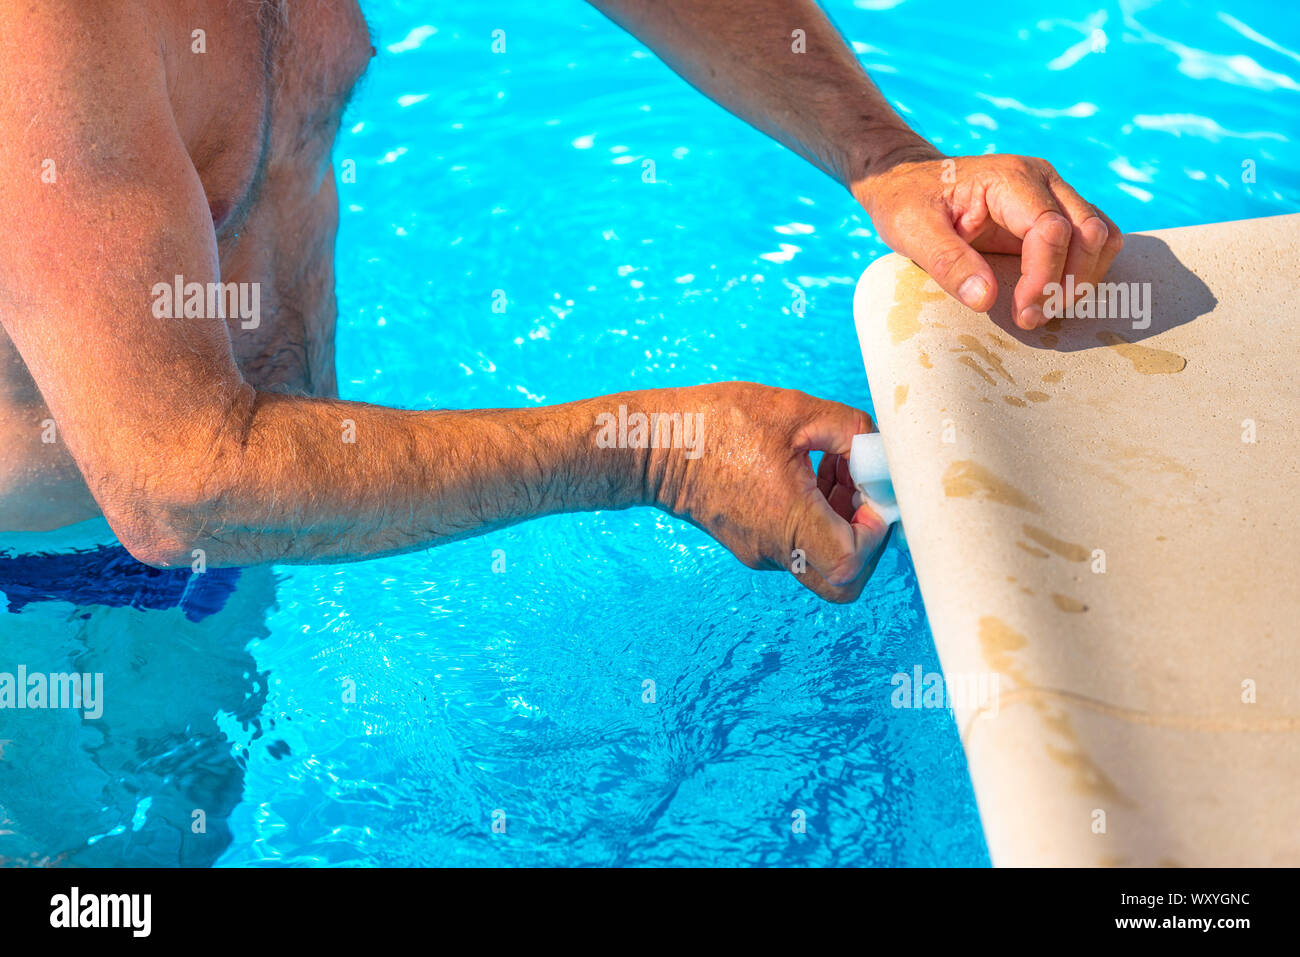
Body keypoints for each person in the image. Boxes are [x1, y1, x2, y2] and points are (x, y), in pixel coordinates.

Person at [0, 0, 1122, 604]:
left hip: (234, 556)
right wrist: (655, 454)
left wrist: (883, 158)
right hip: (52, 612)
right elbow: (175, 483)